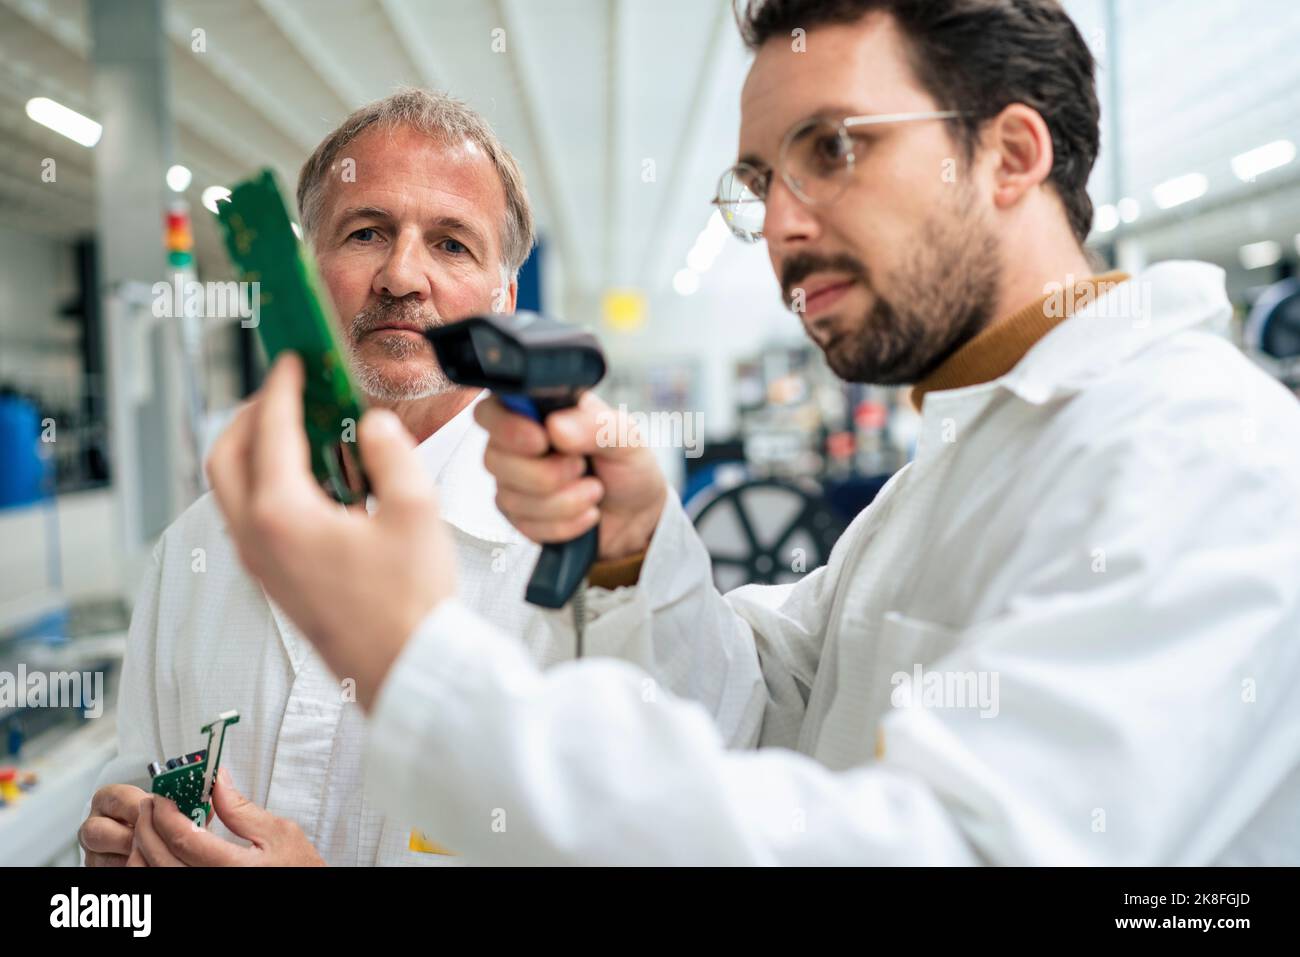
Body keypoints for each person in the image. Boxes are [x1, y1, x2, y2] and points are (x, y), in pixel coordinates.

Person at [202, 0, 1300, 864]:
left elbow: (942, 849)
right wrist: (637, 547)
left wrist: (409, 664)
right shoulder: (957, 468)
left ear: (1010, 154)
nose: (778, 223)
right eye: (759, 180)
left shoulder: (1195, 456)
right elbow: (764, 713)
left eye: (831, 149)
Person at [79, 89, 731, 867]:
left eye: (452, 244)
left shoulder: (606, 563)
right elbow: (137, 789)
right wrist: (117, 867)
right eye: (365, 232)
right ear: (309, 268)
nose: (401, 276)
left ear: (505, 300)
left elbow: (679, 836)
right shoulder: (197, 547)